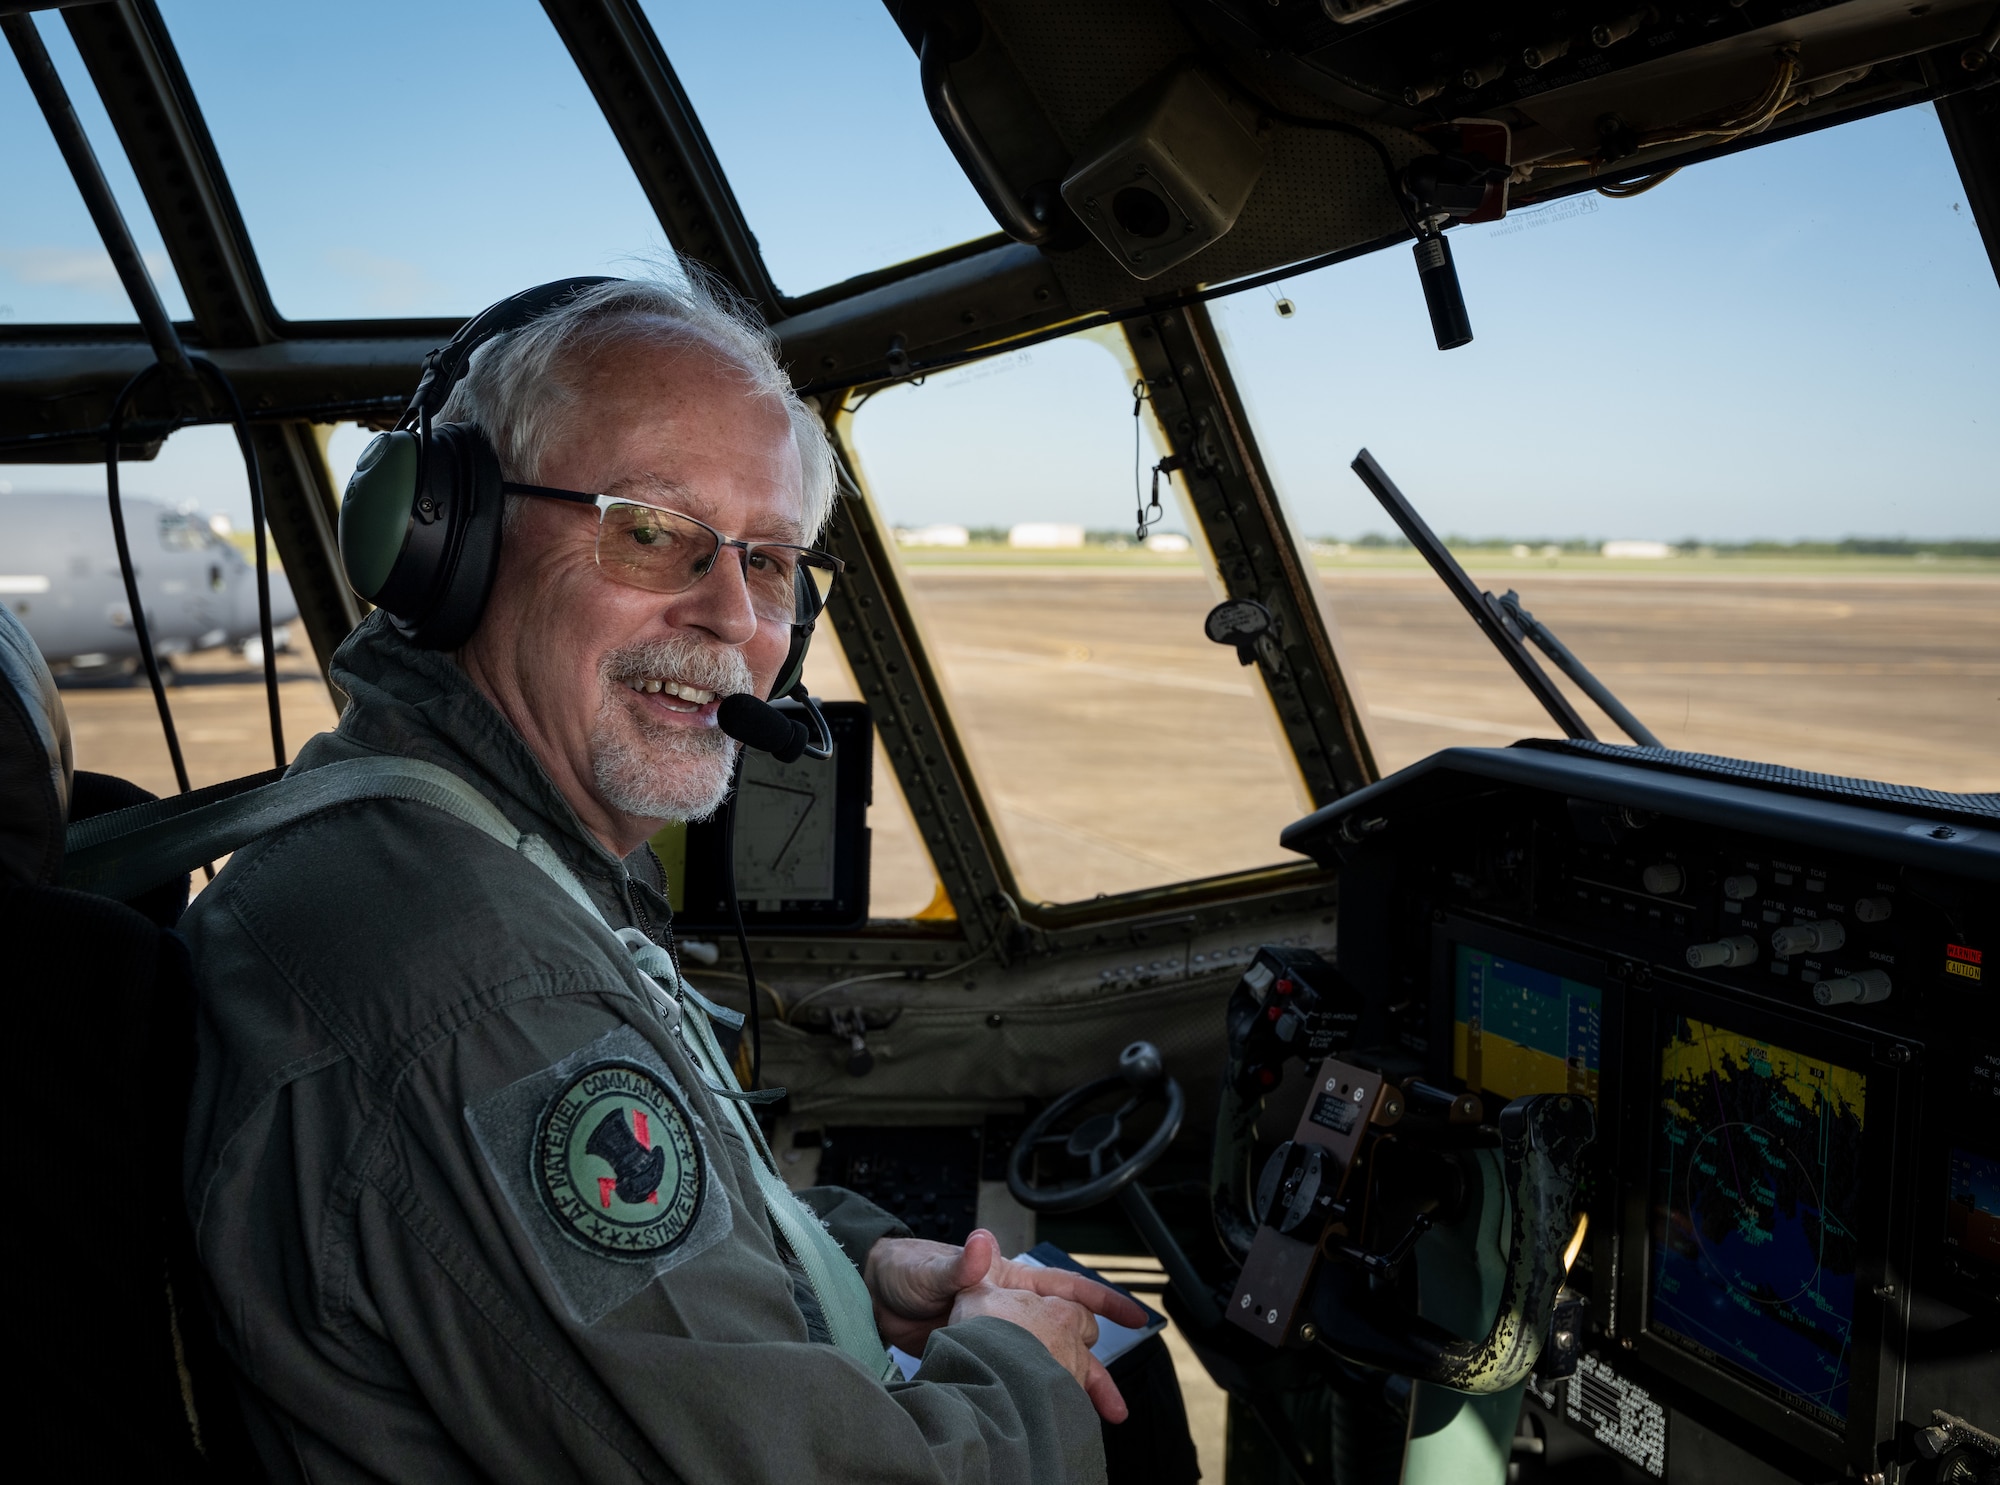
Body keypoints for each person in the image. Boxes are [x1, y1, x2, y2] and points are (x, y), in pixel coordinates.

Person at [180, 266, 1148, 1484]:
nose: (737, 620)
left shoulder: (473, 851)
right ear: (449, 539)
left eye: (773, 561)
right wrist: (1018, 1363)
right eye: (650, 531)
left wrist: (857, 1269)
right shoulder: (488, 988)